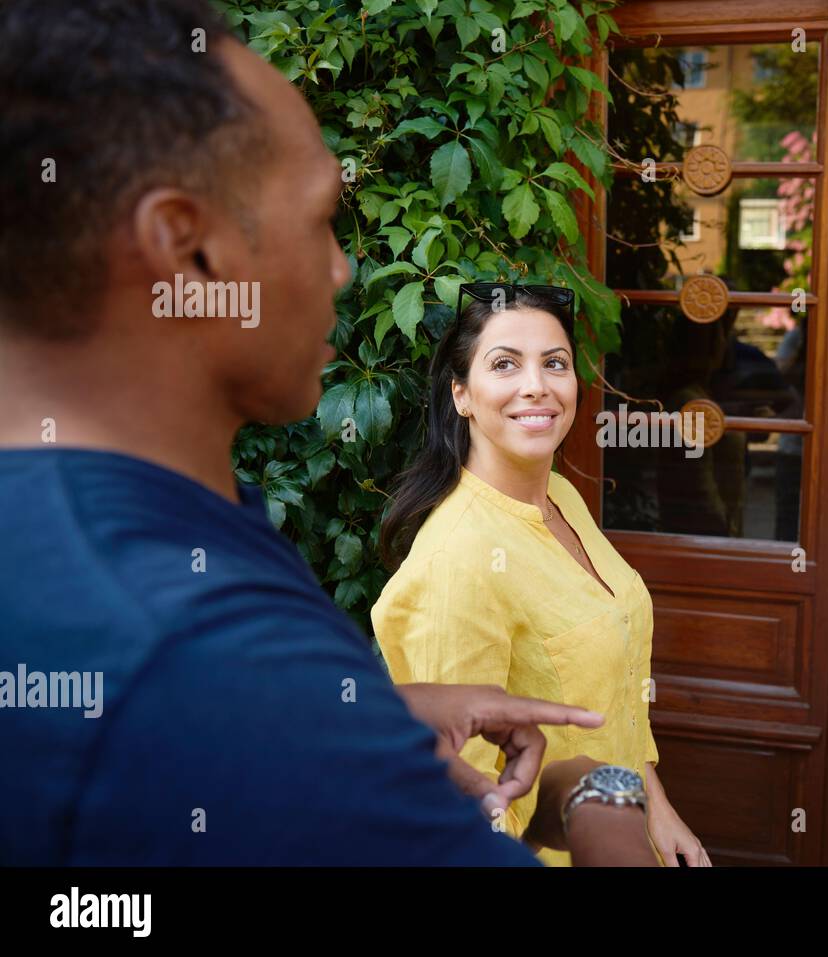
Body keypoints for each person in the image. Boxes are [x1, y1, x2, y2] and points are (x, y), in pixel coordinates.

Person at [0, 0, 657, 866]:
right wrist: (595, 792)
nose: (343, 268)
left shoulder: (129, 550)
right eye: (318, 219)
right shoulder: (195, 649)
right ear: (188, 252)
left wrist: (360, 720)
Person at [375, 283, 711, 866]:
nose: (537, 384)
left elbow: (615, 703)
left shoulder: (560, 498)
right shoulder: (456, 565)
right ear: (461, 394)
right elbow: (460, 808)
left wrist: (657, 811)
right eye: (505, 364)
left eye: (554, 363)